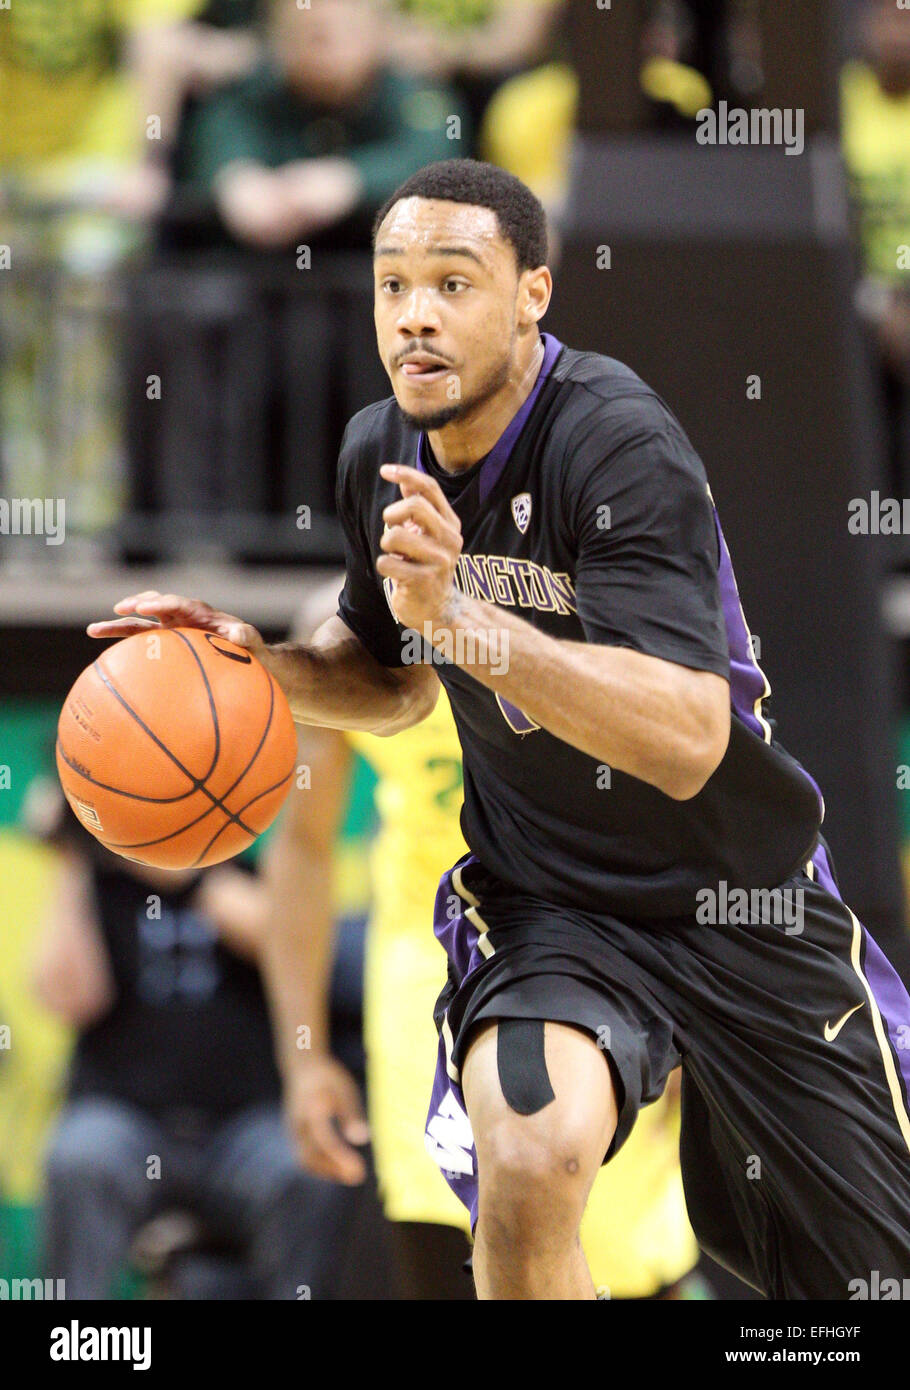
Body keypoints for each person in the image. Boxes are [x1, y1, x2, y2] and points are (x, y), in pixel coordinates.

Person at [88, 157, 910, 1301]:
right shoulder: (379, 450)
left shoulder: (615, 439)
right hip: (552, 906)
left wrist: (462, 620)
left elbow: (684, 738)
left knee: (869, 1287)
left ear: (533, 292)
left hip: (742, 901)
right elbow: (393, 683)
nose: (414, 312)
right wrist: (252, 670)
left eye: (453, 282)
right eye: (390, 285)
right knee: (524, 1163)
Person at [262, 581, 701, 1300]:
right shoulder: (345, 625)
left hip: (602, 969)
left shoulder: (599, 583)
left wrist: (694, 1011)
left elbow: (688, 812)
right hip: (428, 983)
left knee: (623, 1260)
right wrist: (302, 1056)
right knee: (448, 1258)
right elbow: (305, 849)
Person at [33, 790, 360, 1299]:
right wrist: (75, 856)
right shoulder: (97, 884)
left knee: (306, 1169)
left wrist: (180, 869)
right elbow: (69, 997)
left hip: (244, 1129)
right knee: (79, 1156)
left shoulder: (240, 869)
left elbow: (297, 953)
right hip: (127, 1125)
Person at [176, 0, 467, 250]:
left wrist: (350, 181)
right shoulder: (256, 92)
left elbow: (436, 158)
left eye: (342, 30)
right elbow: (222, 127)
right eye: (310, 33)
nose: (324, 45)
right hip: (264, 275)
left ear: (378, 31)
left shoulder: (412, 94)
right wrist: (235, 177)